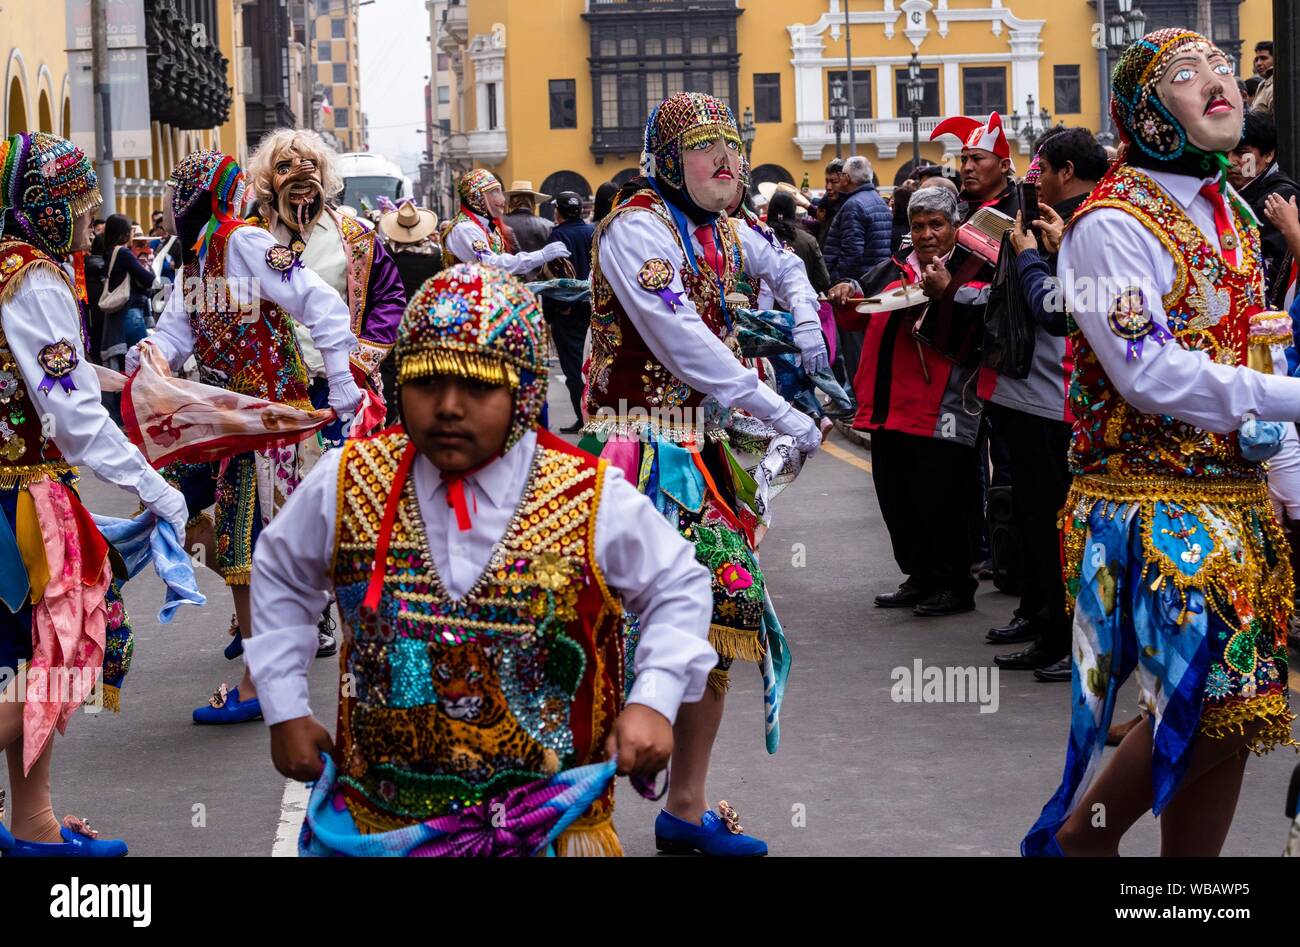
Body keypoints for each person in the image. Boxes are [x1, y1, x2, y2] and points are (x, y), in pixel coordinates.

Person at [244, 263, 717, 855]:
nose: (447, 407)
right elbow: (281, 572)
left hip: (552, 826)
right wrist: (284, 708)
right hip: (384, 828)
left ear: (523, 391)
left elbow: (679, 586)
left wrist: (654, 700)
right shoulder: (348, 478)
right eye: (425, 382)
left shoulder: (591, 495)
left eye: (477, 386)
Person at [1023, 29, 1298, 858]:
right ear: (1147, 108)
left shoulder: (1235, 213)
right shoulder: (1108, 223)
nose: (1219, 83)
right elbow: (1148, 373)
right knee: (1217, 694)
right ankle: (1081, 840)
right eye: (1188, 75)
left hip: (1236, 495)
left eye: (1223, 68)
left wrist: (1287, 477)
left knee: (1233, 709)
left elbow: (1258, 348)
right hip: (1146, 499)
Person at [583, 92, 826, 856]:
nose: (727, 159)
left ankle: (683, 808)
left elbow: (782, 260)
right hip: (634, 455)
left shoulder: (722, 226)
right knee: (601, 629)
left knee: (726, 617)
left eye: (734, 142)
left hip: (705, 453)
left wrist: (807, 309)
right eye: (705, 145)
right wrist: (780, 409)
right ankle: (576, 809)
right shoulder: (640, 230)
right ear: (664, 158)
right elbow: (681, 338)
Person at [0, 132, 189, 856]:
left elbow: (61, 380)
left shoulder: (16, 268)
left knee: (29, 658)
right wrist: (154, 485)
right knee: (68, 657)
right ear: (47, 211)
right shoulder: (35, 278)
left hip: (20, 489)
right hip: (22, 501)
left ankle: (34, 820)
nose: (91, 220)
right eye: (78, 208)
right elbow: (72, 417)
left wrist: (126, 382)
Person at [127, 149, 363, 725]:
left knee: (248, 550)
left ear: (193, 197)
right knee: (177, 511)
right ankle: (283, 635)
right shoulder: (196, 262)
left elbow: (324, 303)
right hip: (231, 423)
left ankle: (265, 677)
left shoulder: (244, 242)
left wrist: (340, 386)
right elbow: (174, 335)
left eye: (172, 197)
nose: (167, 209)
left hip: (271, 426)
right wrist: (150, 355)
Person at [828, 186, 989, 616]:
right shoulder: (893, 267)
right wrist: (843, 291)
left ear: (955, 227)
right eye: (918, 225)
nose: (926, 233)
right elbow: (856, 312)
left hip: (941, 408)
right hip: (887, 408)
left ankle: (956, 584)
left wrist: (947, 292)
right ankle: (920, 575)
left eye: (936, 224)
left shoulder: (975, 268)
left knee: (943, 500)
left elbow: (982, 326)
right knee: (898, 499)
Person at [985, 127, 1108, 680]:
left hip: (1059, 399)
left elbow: (1056, 308)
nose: (1034, 183)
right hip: (1032, 393)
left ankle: (1069, 641)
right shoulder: (1073, 221)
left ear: (1062, 171)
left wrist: (1033, 258)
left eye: (1041, 171)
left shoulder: (1094, 222)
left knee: (1060, 529)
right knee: (1039, 523)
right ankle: (1045, 626)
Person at [244, 128, 407, 435]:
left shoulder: (356, 237)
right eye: (284, 167)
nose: (301, 177)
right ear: (269, 179)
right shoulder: (249, 236)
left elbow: (390, 298)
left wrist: (356, 365)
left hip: (338, 386)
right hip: (270, 391)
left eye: (310, 165)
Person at [823, 155, 892, 387]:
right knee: (870, 350)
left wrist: (839, 281)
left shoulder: (853, 205)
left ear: (846, 178)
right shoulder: (877, 200)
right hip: (876, 283)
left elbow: (852, 250)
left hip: (855, 290)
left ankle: (859, 406)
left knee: (856, 353)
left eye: (841, 175)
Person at [377, 199, 441, 424]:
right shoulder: (434, 256)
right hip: (423, 322)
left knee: (391, 371)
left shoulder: (385, 254)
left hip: (390, 320)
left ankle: (390, 417)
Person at [1228, 110, 1299, 302]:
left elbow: (1274, 275)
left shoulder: (1278, 200)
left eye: (1241, 153)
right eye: (1226, 151)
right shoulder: (1232, 193)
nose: (1230, 161)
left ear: (1268, 155)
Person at [443, 168, 569, 276]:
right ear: (477, 197)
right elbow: (491, 264)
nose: (502, 199)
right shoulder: (466, 228)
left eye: (500, 191)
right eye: (494, 192)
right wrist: (541, 255)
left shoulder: (485, 226)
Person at [542, 190, 595, 432]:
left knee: (573, 368)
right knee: (593, 363)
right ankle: (593, 415)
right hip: (593, 309)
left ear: (559, 212)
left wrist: (558, 309)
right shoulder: (592, 231)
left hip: (568, 312)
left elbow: (555, 276)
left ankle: (582, 416)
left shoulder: (558, 236)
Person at [503, 180, 555, 280]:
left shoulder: (499, 223)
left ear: (511, 203)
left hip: (508, 282)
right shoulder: (548, 225)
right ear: (533, 204)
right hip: (539, 285)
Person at [1252, 40, 1274, 114]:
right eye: (1257, 59)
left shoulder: (1277, 84)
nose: (1258, 63)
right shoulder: (1262, 84)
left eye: (1263, 58)